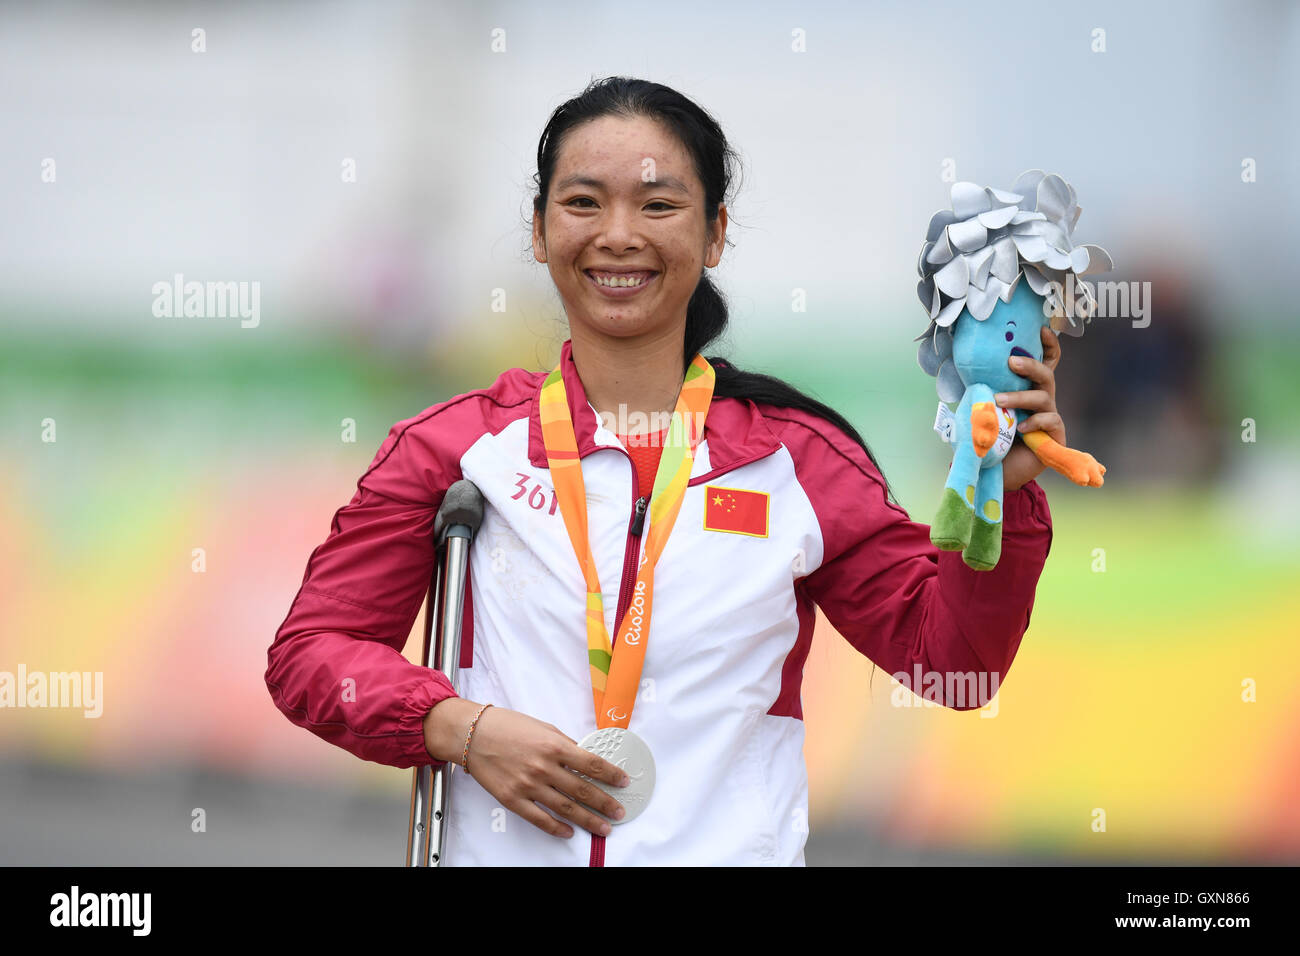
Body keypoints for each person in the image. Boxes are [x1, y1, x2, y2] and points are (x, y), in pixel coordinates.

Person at [264, 76, 1058, 866]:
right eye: (582, 203)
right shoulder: (455, 449)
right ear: (538, 232)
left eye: (657, 205)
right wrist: (458, 729)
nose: (617, 234)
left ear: (715, 235)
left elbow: (956, 664)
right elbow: (311, 653)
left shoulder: (799, 460)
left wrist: (1004, 495)